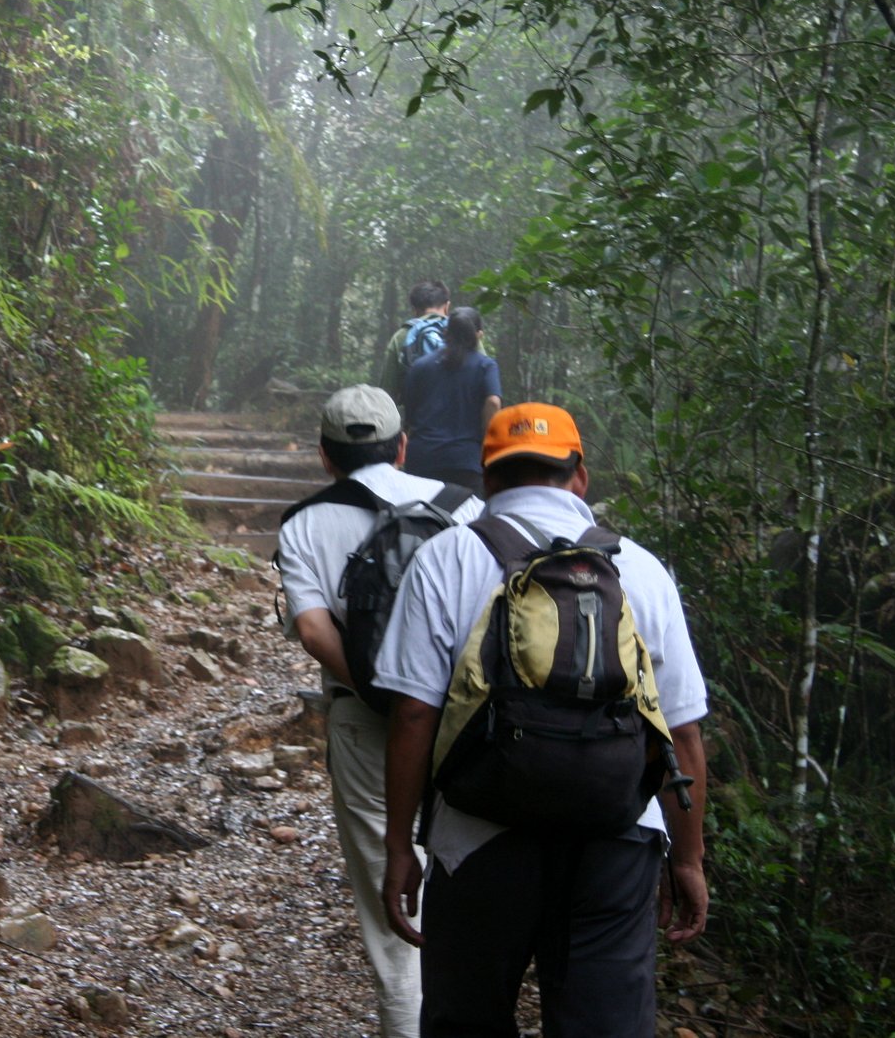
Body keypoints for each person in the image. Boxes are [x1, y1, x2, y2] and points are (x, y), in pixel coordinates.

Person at [375, 402, 709, 1038]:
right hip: (618, 838)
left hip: (479, 838)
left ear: (489, 478)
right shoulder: (640, 568)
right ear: (579, 475)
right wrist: (688, 859)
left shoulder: (447, 559)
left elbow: (414, 715)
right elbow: (684, 731)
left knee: (466, 1021)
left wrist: (400, 846)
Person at [274, 384, 484, 1038]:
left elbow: (312, 629)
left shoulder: (303, 522)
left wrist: (381, 690)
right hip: (467, 724)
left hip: (366, 726)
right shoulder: (465, 507)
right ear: (402, 446)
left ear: (324, 456)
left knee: (393, 919)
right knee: (474, 892)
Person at [401, 306, 502, 494]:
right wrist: (487, 443)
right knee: (466, 520)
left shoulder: (420, 366)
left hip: (423, 459)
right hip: (466, 461)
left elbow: (410, 417)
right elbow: (493, 403)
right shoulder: (485, 366)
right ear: (479, 335)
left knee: (421, 519)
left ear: (446, 332)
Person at [377, 280, 451, 402]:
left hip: (418, 418)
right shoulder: (465, 333)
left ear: (415, 310)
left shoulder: (401, 336)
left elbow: (387, 392)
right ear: (447, 306)